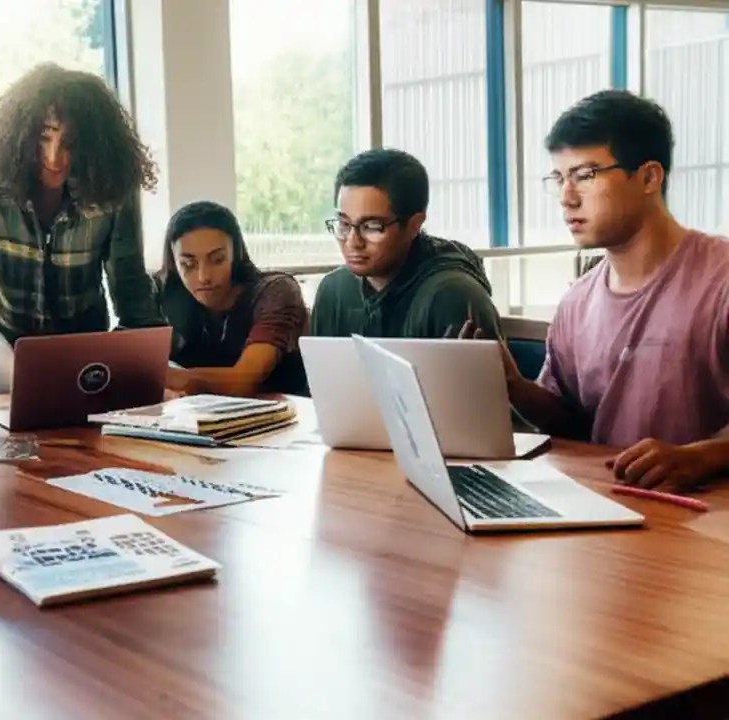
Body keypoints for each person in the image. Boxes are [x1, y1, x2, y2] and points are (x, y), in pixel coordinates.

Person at [467, 90, 729, 492]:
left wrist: (701, 457)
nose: (567, 198)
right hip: (606, 508)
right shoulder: (578, 301)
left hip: (707, 524)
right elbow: (573, 421)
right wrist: (514, 386)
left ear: (648, 177)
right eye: (559, 178)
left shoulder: (720, 277)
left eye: (585, 175)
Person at [0, 63, 165, 393]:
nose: (55, 157)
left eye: (71, 142)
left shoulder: (111, 182)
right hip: (3, 341)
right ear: (21, 135)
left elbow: (129, 281)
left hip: (81, 346)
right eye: (44, 137)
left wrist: (156, 369)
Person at [310, 149, 502, 340]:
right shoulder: (334, 290)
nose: (352, 242)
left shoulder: (454, 297)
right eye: (344, 224)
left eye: (372, 227)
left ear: (414, 225)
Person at [155, 201, 309, 396]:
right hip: (190, 421)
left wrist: (169, 377)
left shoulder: (274, 291)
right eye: (188, 264)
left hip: (281, 418)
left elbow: (245, 379)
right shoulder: (162, 294)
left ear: (236, 254)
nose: (204, 277)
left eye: (217, 260)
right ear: (174, 263)